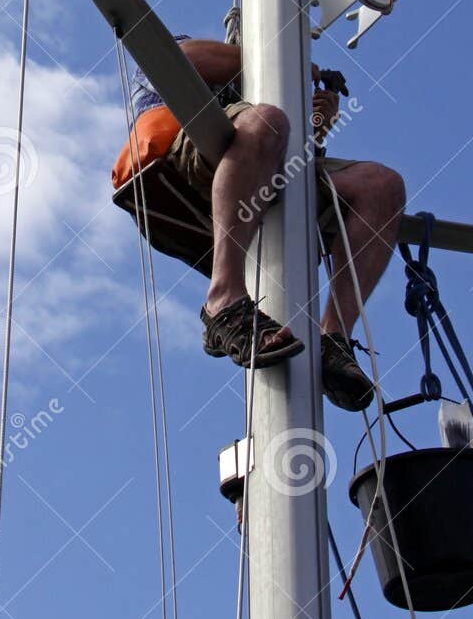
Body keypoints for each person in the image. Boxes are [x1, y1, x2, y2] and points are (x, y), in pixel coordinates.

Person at [116, 35, 405, 411]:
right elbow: (184, 60)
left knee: (382, 186)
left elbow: (291, 165)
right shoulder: (179, 59)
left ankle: (333, 339)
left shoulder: (260, 109)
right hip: (179, 160)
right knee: (268, 120)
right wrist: (289, 65)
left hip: (257, 175)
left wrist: (315, 121)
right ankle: (223, 300)